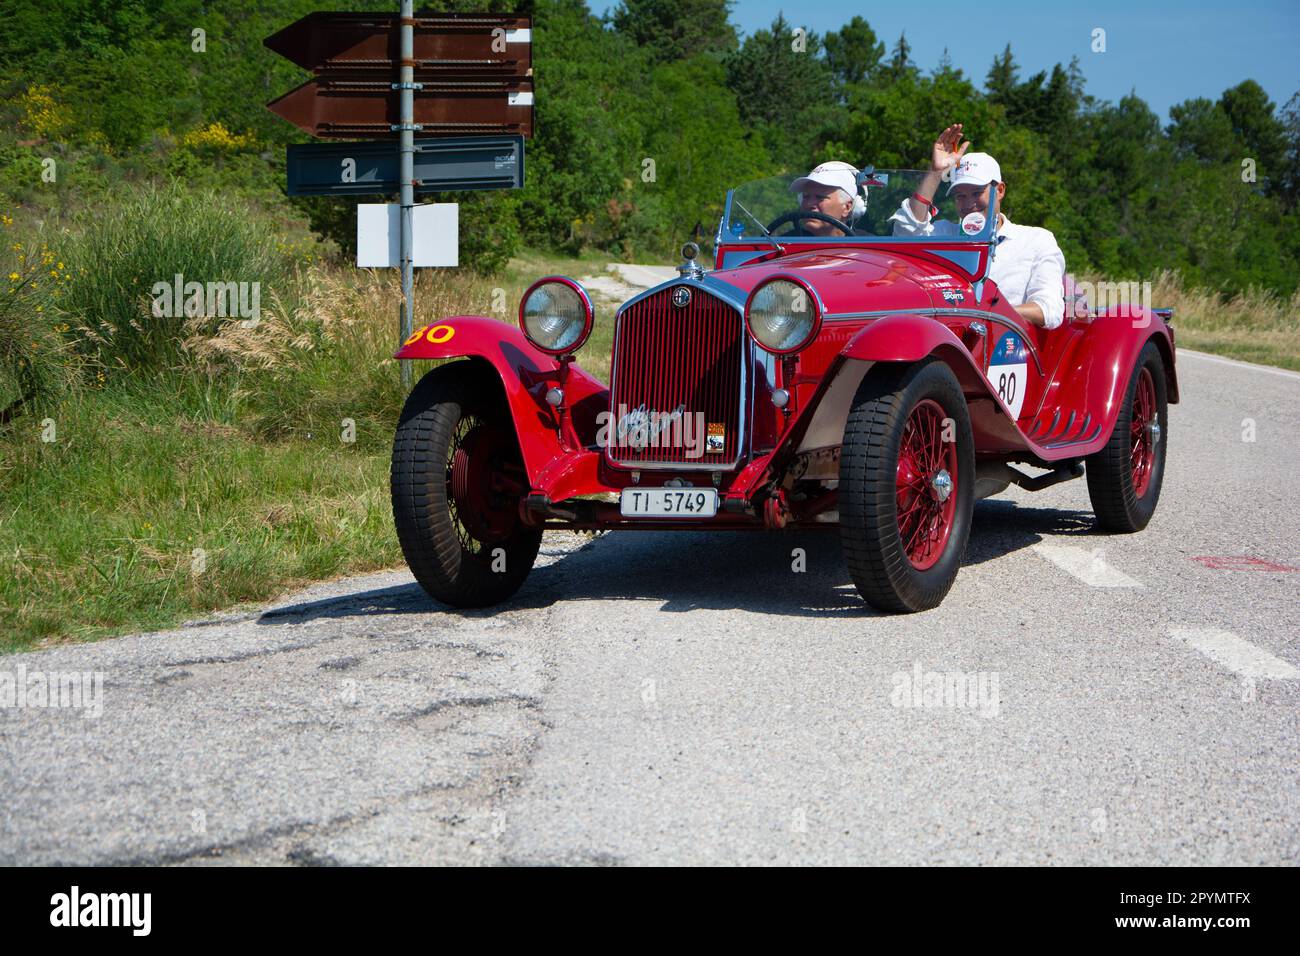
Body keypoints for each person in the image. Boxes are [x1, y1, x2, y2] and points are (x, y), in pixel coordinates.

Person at [889, 124, 1067, 329]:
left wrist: (989, 314)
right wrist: (935, 172)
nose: (968, 204)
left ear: (999, 190)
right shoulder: (945, 234)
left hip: (1004, 350)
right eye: (960, 196)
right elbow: (906, 234)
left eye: (976, 193)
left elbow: (1049, 310)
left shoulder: (1036, 240)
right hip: (950, 345)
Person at [787, 161, 864, 237]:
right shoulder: (784, 243)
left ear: (847, 207)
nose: (809, 204)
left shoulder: (867, 245)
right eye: (806, 197)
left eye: (820, 197)